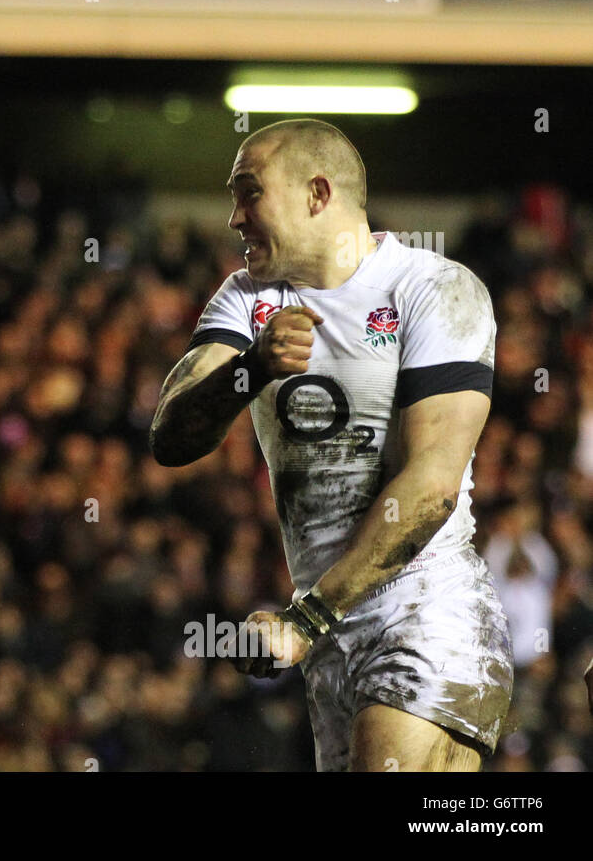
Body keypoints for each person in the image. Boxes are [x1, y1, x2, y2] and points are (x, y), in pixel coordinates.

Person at [149, 119, 511, 771]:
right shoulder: (246, 298)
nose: (233, 217)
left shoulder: (434, 289)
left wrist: (304, 620)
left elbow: (431, 487)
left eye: (248, 193)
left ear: (318, 193)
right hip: (328, 641)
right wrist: (249, 369)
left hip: (428, 617)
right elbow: (171, 438)